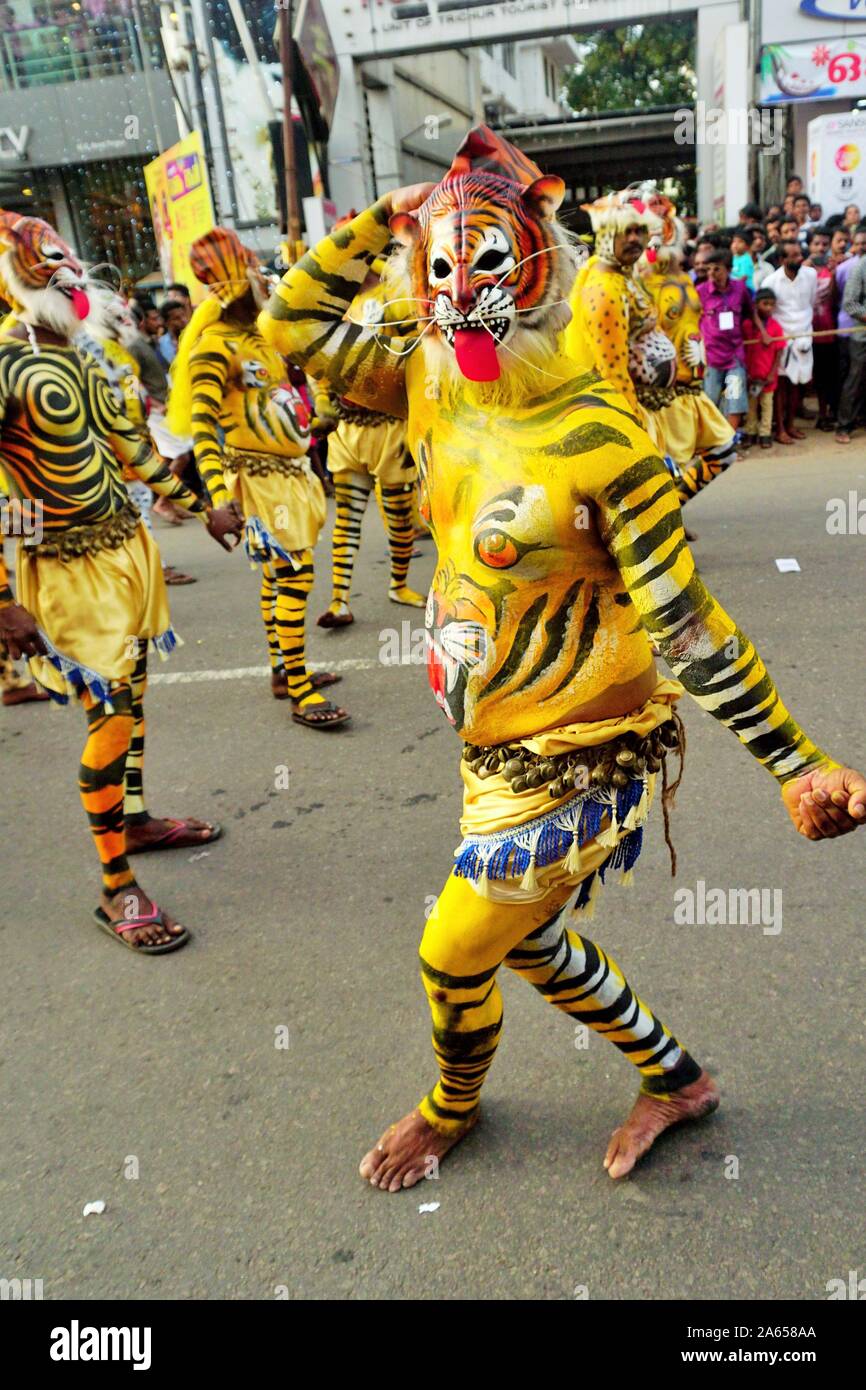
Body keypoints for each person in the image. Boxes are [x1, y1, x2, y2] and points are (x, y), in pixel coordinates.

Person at [259, 125, 866, 1192]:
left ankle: (451, 1104)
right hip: (489, 751)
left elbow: (686, 624)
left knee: (454, 949)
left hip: (581, 754)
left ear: (540, 263)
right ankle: (674, 1076)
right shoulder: (430, 381)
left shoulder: (601, 438)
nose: (459, 291)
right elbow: (289, 320)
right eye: (438, 269)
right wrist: (381, 217)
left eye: (486, 262)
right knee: (528, 941)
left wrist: (794, 762)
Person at [0, 213, 242, 952]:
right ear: (15, 277)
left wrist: (204, 507)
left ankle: (131, 816)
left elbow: (131, 444)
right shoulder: (4, 362)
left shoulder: (85, 353)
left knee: (133, 696)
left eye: (65, 254)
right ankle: (116, 887)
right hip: (64, 566)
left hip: (128, 552)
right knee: (106, 713)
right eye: (46, 259)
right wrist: (3, 598)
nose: (66, 268)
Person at [167, 225, 348, 727]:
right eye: (257, 273)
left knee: (276, 578)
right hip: (257, 482)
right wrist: (214, 501)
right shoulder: (214, 346)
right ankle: (300, 691)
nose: (268, 281)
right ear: (237, 283)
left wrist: (315, 421)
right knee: (293, 574)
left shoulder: (262, 339)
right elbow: (201, 430)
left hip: (291, 476)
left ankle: (283, 673)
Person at [308, 250, 425, 629]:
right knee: (347, 519)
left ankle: (399, 585)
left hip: (390, 429)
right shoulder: (336, 308)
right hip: (347, 430)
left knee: (398, 517)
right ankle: (339, 600)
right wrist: (324, 406)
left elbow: (416, 353)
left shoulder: (395, 299)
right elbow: (320, 367)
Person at [637, 244, 736, 492]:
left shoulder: (685, 282)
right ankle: (662, 523)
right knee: (662, 471)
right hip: (651, 394)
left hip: (688, 387)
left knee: (725, 451)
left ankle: (674, 510)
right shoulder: (639, 287)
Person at [765, 240, 818, 444]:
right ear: (781, 259)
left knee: (798, 384)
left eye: (799, 254)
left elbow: (811, 302)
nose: (799, 258)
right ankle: (780, 429)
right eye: (793, 256)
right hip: (782, 338)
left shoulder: (810, 275)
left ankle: (791, 426)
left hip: (804, 335)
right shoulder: (771, 281)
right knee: (781, 386)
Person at [697, 247, 752, 432]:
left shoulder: (740, 289)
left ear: (728, 269)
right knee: (710, 400)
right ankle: (713, 440)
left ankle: (729, 440)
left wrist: (764, 333)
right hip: (711, 357)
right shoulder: (701, 291)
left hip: (734, 356)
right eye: (709, 269)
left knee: (734, 398)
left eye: (717, 269)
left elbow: (751, 314)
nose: (712, 273)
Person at [743, 287, 785, 449]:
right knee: (751, 406)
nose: (768, 308)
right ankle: (750, 431)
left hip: (768, 375)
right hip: (752, 375)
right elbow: (743, 351)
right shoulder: (747, 325)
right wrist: (746, 373)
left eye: (771, 305)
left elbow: (779, 351)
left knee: (767, 405)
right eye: (765, 304)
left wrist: (772, 373)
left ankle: (765, 433)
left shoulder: (775, 326)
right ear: (756, 304)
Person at [804, 229, 838, 431]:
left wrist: (833, 274)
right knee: (810, 377)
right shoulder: (800, 269)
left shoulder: (831, 269)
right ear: (810, 246)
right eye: (816, 244)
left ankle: (824, 414)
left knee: (826, 375)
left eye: (825, 244)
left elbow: (835, 299)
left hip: (828, 330)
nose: (821, 248)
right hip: (806, 331)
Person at [835, 236, 866, 444]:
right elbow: (850, 304)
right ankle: (844, 426)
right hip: (862, 336)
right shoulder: (860, 267)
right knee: (855, 379)